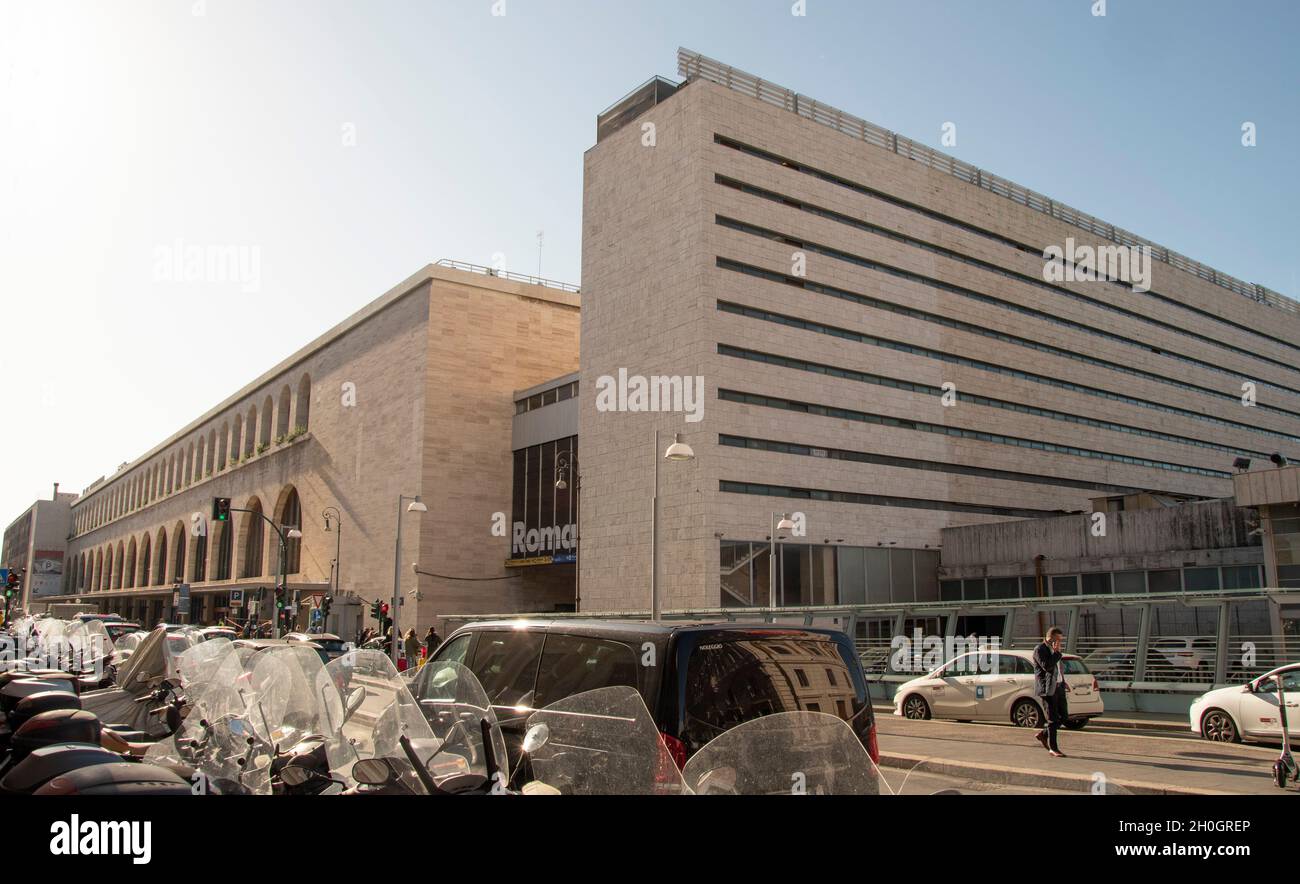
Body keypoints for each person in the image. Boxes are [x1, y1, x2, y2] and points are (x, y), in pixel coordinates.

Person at [1032, 626, 1071, 758]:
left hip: (1059, 687)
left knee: (1064, 716)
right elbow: (1047, 666)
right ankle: (1053, 748)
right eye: (1058, 639)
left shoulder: (1056, 652)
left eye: (1061, 640)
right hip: (1047, 689)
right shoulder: (1040, 649)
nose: (1060, 642)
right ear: (1051, 638)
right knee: (1053, 719)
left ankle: (1043, 734)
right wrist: (1056, 653)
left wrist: (1063, 682)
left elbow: (1058, 670)